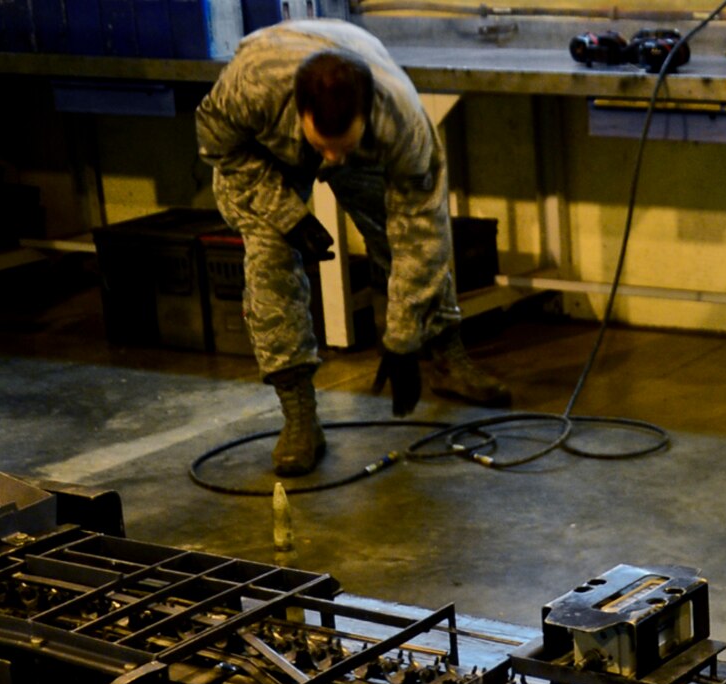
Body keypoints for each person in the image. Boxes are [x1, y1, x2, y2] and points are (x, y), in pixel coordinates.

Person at [196, 19, 511, 477]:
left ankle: (446, 355)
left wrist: (402, 340)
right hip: (263, 159)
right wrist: (287, 213)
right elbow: (218, 148)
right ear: (300, 111)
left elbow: (420, 231)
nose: (331, 164)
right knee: (270, 261)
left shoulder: (399, 118)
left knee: (395, 230)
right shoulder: (250, 89)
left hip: (365, 140)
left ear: (367, 113)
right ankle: (299, 414)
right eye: (325, 149)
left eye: (342, 150)